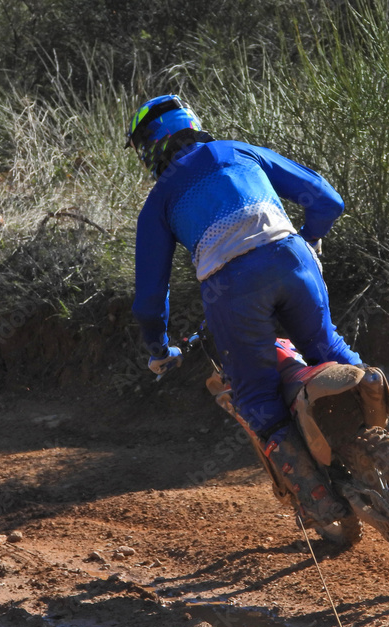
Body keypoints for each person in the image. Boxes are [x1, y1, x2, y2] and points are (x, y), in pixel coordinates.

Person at [125, 94, 362, 526]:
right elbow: (328, 201)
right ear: (191, 124)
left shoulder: (158, 201)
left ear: (149, 148)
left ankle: (317, 497)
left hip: (231, 289)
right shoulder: (238, 151)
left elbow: (148, 300)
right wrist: (311, 237)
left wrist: (160, 349)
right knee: (328, 348)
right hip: (292, 258)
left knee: (255, 397)